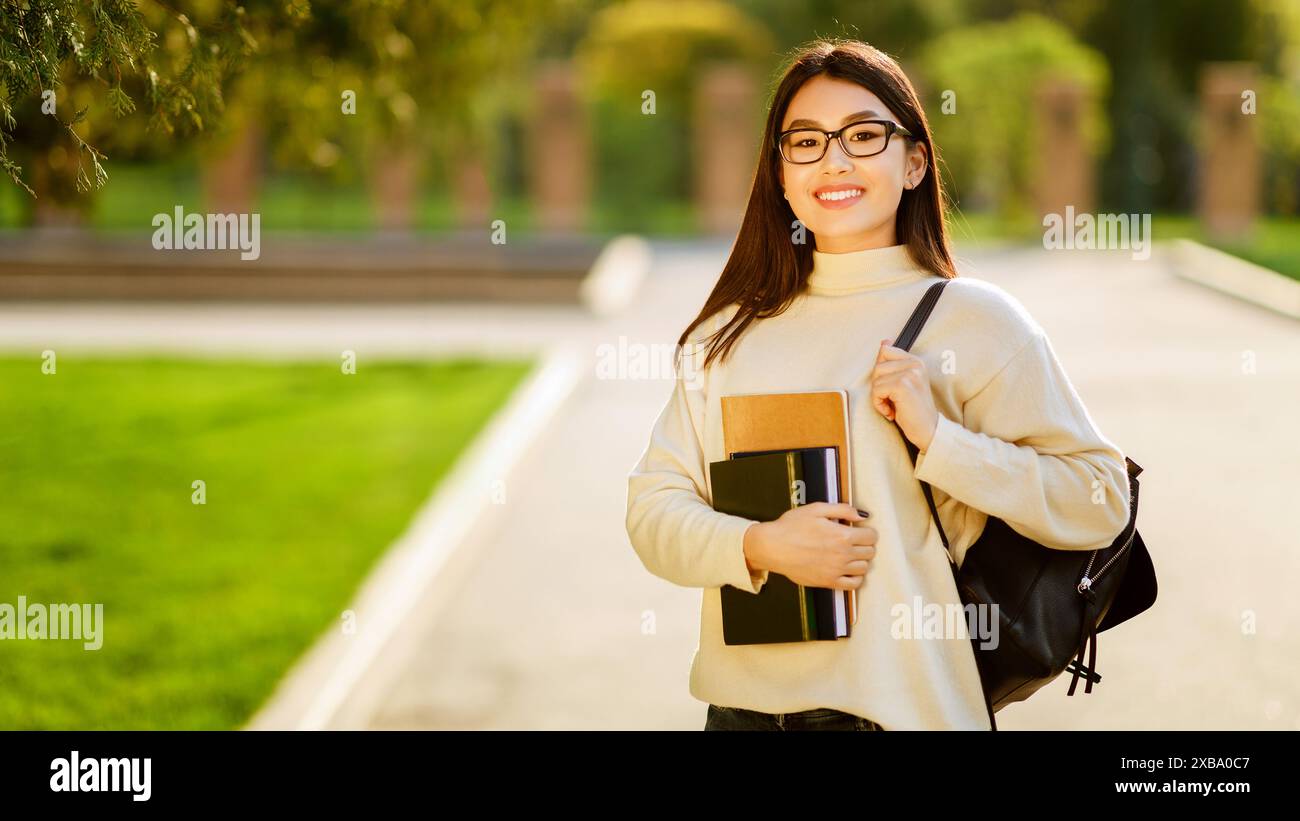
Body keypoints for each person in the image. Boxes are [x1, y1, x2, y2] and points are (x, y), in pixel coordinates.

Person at [624, 38, 1131, 731]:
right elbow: (653, 513)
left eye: (863, 135)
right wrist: (761, 545)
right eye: (805, 141)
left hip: (899, 713)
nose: (834, 159)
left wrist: (942, 441)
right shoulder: (728, 335)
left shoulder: (973, 320)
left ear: (915, 160)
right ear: (778, 172)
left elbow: (1101, 497)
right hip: (741, 714)